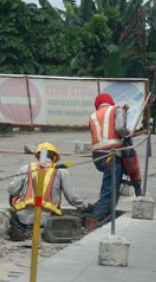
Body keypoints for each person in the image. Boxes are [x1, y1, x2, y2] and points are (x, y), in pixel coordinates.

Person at [84, 93, 142, 231]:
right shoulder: (116, 109)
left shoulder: (92, 116)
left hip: (98, 158)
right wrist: (128, 134)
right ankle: (95, 219)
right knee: (109, 190)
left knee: (111, 186)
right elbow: (120, 128)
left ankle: (103, 213)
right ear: (111, 102)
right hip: (112, 155)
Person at [8, 142, 86, 234]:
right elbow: (71, 197)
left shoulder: (26, 168)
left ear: (38, 156)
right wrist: (84, 207)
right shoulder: (61, 171)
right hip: (48, 219)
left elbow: (12, 190)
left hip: (22, 218)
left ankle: (22, 231)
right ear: (54, 156)